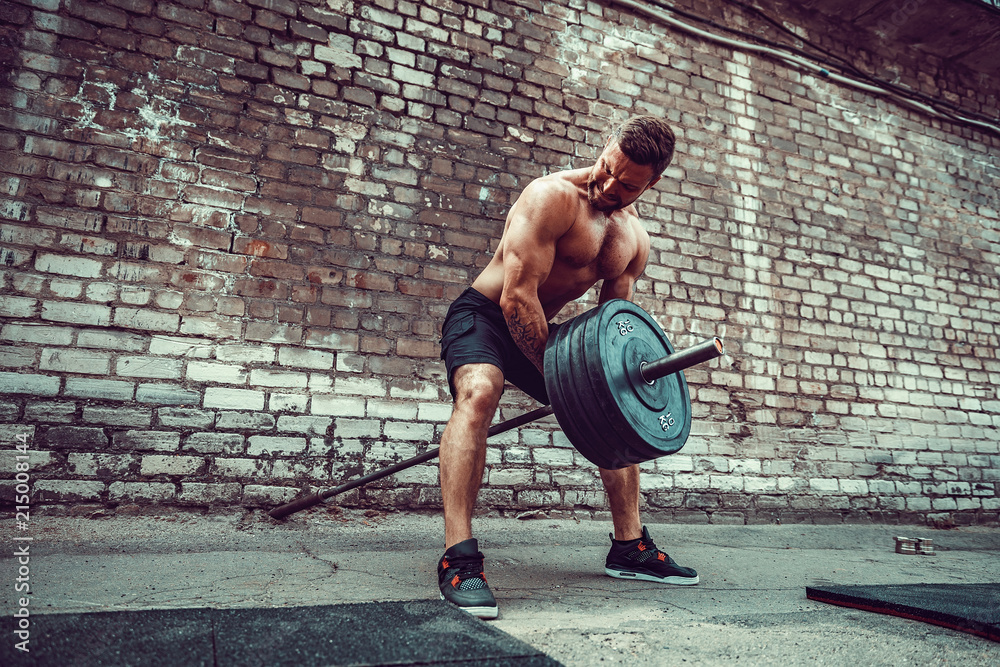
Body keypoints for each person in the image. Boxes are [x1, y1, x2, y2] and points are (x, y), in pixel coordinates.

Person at [436, 116, 699, 619]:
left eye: (625, 185)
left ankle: (630, 547)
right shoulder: (550, 198)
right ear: (605, 149)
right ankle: (459, 558)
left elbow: (613, 324)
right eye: (606, 169)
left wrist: (598, 389)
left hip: (542, 330)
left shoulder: (632, 241)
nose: (606, 185)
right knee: (481, 389)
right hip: (484, 316)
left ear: (652, 183)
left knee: (613, 403)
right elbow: (516, 297)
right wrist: (563, 378)